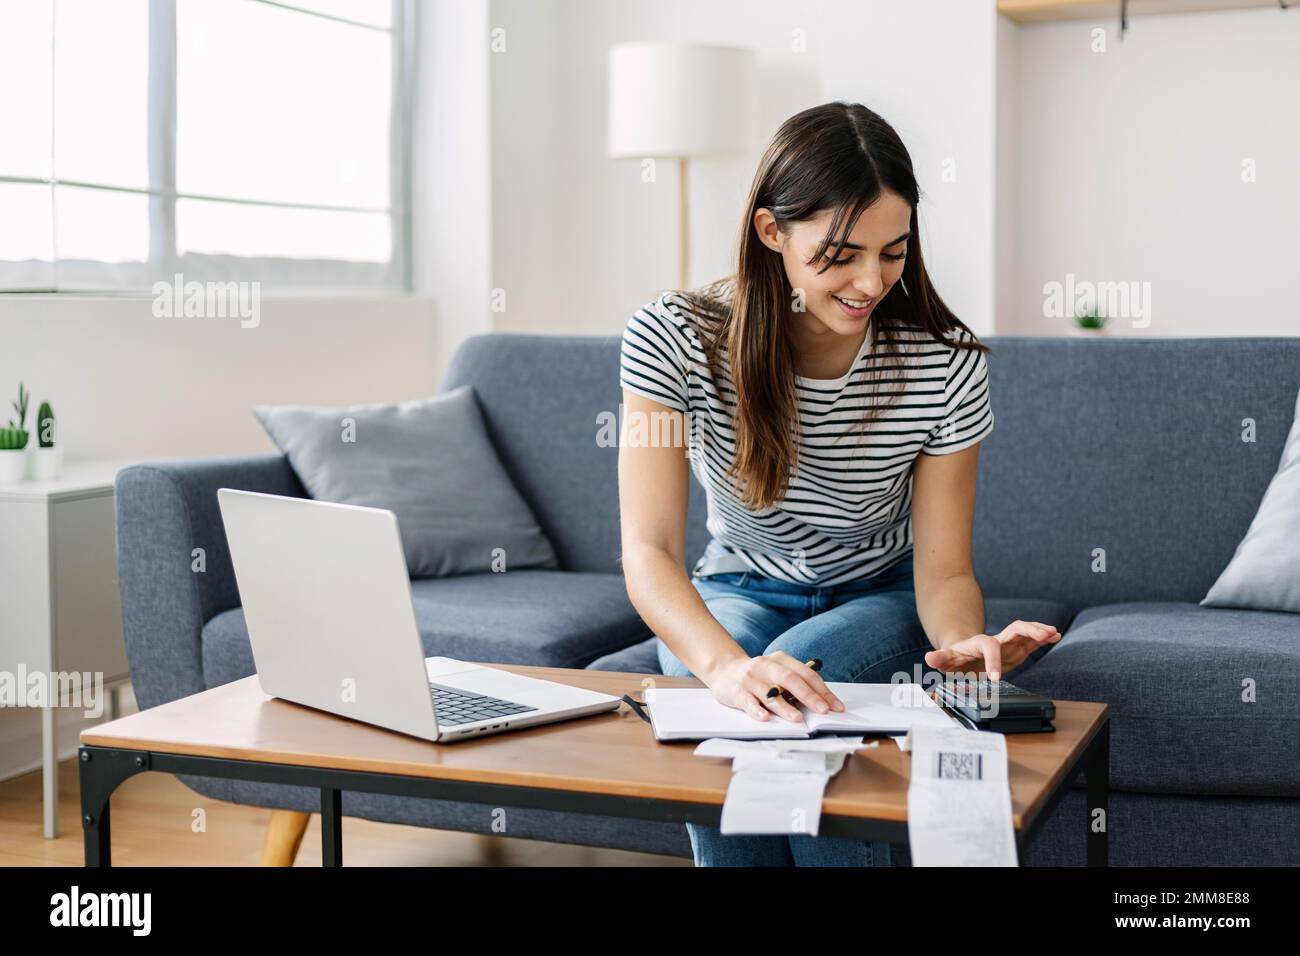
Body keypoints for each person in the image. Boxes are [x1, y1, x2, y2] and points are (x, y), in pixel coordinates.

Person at [616, 101, 1062, 867]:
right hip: (735, 588)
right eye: (840, 254)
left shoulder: (945, 366)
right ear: (771, 233)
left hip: (876, 598)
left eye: (893, 252)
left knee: (791, 690)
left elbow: (946, 567)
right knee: (745, 700)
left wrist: (963, 645)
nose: (870, 282)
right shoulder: (673, 339)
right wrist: (722, 668)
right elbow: (648, 550)